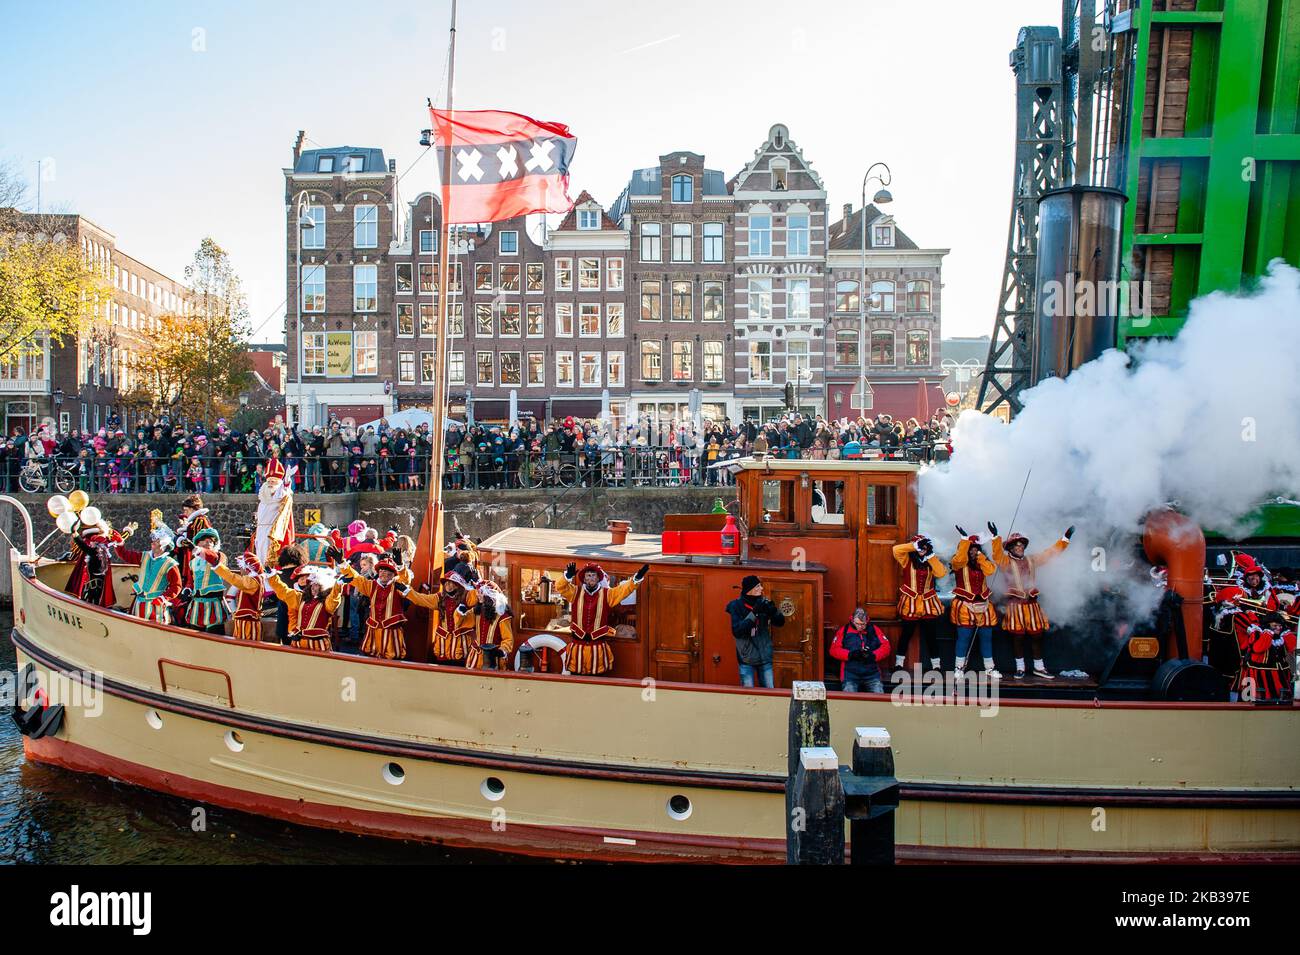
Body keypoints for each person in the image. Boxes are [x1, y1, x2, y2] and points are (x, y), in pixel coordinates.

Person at [991, 522, 1074, 680]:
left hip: (1031, 605)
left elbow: (1050, 553)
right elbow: (996, 556)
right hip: (1015, 605)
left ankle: (1039, 667)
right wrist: (995, 537)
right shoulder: (1005, 561)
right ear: (1010, 548)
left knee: (1037, 635)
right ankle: (1020, 668)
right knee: (1018, 637)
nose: (1020, 546)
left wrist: (1065, 539)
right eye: (1016, 545)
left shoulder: (1032, 559)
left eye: (1021, 544)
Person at [556, 561, 649, 676]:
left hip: (597, 649)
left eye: (593, 575)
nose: (591, 578)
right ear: (584, 579)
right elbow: (560, 587)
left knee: (597, 681)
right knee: (576, 681)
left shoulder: (608, 594)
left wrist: (636, 579)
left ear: (598, 578)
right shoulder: (575, 592)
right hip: (577, 649)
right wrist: (567, 577)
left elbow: (623, 590)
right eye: (588, 575)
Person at [892, 534, 948, 674]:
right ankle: (899, 664)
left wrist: (930, 556)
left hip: (928, 602)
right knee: (906, 634)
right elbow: (896, 549)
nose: (922, 549)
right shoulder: (906, 559)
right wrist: (914, 545)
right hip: (910, 602)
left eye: (924, 546)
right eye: (920, 547)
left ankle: (936, 666)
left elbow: (941, 573)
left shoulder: (931, 560)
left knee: (931, 635)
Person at [949, 527, 1000, 680]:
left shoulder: (982, 562)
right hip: (965, 605)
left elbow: (990, 571)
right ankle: (958, 668)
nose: (973, 552)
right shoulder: (958, 562)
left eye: (976, 549)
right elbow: (958, 561)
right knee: (963, 638)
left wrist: (981, 556)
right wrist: (965, 541)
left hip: (984, 605)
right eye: (971, 549)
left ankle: (989, 668)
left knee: (986, 637)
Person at [337, 558, 412, 660]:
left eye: (385, 571)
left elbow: (405, 580)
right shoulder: (371, 585)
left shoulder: (398, 586)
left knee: (391, 660)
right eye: (380, 571)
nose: (382, 573)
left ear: (393, 574)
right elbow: (356, 578)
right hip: (373, 633)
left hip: (391, 634)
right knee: (371, 658)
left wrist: (400, 565)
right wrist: (342, 563)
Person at [725, 575, 786, 688]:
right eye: (758, 586)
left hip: (765, 656)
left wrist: (773, 612)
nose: (761, 588)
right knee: (748, 696)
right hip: (746, 658)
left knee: (770, 694)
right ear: (750, 590)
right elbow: (737, 631)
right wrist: (754, 613)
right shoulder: (736, 606)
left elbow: (780, 622)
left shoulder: (763, 603)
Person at [267, 564, 341, 652]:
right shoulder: (300, 597)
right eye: (311, 584)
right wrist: (272, 576)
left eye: (317, 585)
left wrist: (338, 585)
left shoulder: (326, 602)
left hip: (318, 644)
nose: (313, 587)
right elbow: (283, 591)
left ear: (324, 587)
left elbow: (334, 599)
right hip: (299, 642)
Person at [119, 525, 181, 623]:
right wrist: (119, 544)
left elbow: (176, 586)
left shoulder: (170, 564)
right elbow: (125, 555)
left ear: (163, 545)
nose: (152, 542)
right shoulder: (145, 556)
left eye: (156, 541)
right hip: (139, 602)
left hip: (156, 606)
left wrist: (163, 598)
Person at [1236, 610, 1296, 703]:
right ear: (1268, 625)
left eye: (1280, 626)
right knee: (1256, 700)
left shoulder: (1282, 635)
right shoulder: (1257, 633)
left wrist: (1287, 634)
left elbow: (1293, 647)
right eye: (1274, 625)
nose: (1278, 628)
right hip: (1259, 674)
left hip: (1279, 674)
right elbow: (1258, 648)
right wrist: (1268, 633)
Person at [830, 607, 891, 693]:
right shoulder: (844, 630)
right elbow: (834, 650)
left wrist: (873, 656)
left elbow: (886, 647)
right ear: (852, 620)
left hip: (872, 674)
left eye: (863, 624)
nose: (860, 626)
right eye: (857, 624)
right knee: (849, 699)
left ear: (867, 621)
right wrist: (851, 654)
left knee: (879, 696)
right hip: (850, 674)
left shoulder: (874, 629)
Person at [460, 580, 516, 671]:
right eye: (478, 593)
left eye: (480, 593)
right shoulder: (477, 611)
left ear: (490, 595)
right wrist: (460, 612)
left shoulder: (502, 616)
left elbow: (508, 639)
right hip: (476, 657)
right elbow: (462, 623)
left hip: (494, 659)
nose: (478, 595)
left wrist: (501, 651)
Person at [213, 550, 266, 641]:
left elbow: (233, 578)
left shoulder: (253, 581)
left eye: (241, 567)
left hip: (249, 622)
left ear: (247, 568)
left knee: (249, 647)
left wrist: (218, 567)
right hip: (242, 621)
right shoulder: (251, 580)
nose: (240, 570)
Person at [254, 456, 295, 566]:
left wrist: (286, 479)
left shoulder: (277, 496)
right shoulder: (263, 496)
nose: (271, 483)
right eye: (269, 481)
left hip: (270, 531)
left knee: (268, 557)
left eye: (274, 481)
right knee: (259, 555)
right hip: (260, 530)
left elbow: (284, 490)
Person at [186, 528, 229, 634]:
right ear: (198, 543)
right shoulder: (193, 561)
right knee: (195, 635)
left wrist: (200, 551)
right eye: (204, 540)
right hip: (197, 604)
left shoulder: (219, 556)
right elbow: (191, 579)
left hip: (214, 604)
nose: (208, 543)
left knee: (214, 636)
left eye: (211, 541)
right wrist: (187, 588)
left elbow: (214, 560)